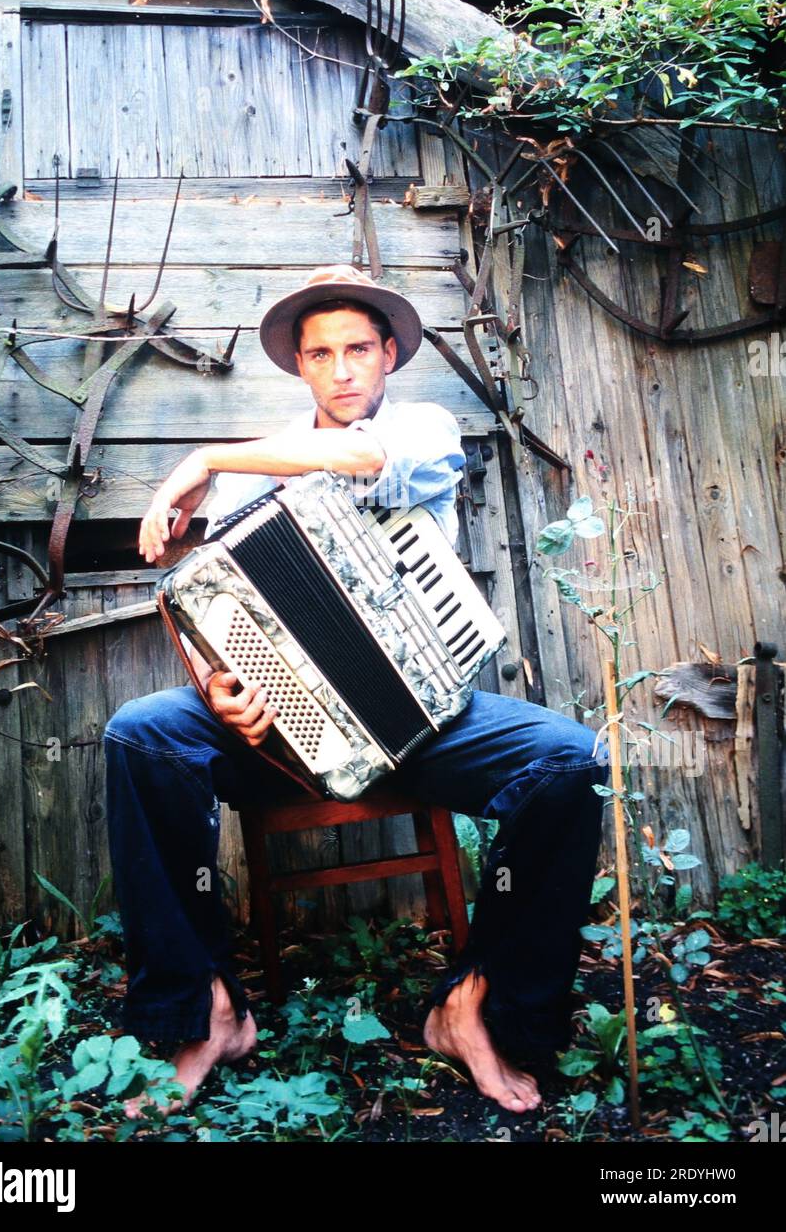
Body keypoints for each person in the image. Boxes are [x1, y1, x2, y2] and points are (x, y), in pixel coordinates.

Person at [104, 264, 610, 1118]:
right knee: (139, 735)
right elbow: (217, 614)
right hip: (289, 738)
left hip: (428, 725)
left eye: (358, 350)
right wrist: (222, 690)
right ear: (299, 366)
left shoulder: (422, 427)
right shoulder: (253, 477)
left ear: (388, 357)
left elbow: (361, 456)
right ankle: (208, 1010)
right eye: (321, 353)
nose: (341, 370)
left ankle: (475, 1008)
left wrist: (203, 456)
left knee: (570, 762)